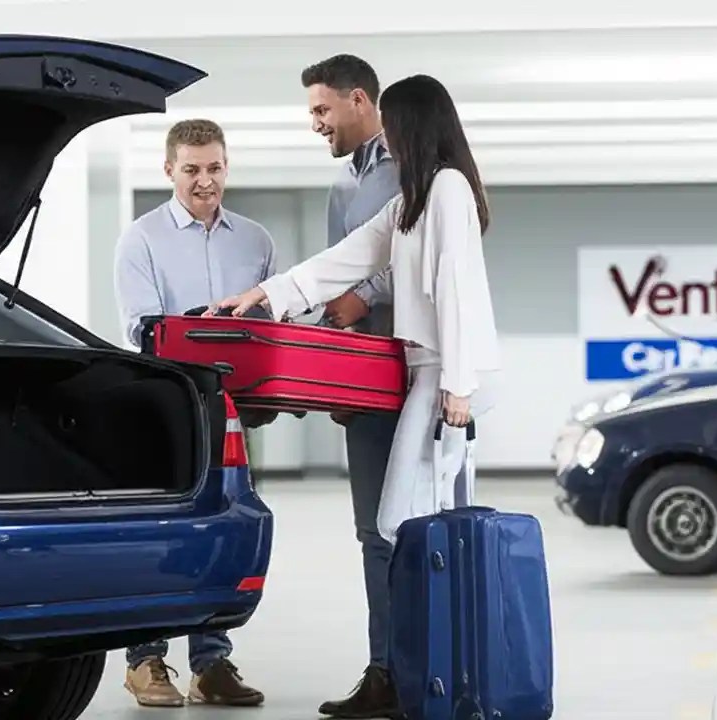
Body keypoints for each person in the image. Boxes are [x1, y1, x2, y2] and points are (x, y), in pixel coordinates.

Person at [207, 74, 501, 717]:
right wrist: (267, 296)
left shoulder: (447, 188)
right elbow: (346, 257)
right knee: (411, 525)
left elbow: (457, 287)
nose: (388, 136)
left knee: (402, 522)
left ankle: (428, 672)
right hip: (423, 371)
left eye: (395, 123)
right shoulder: (413, 200)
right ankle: (419, 675)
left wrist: (457, 384)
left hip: (446, 375)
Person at [112, 118, 274, 708]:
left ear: (226, 166)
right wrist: (205, 327)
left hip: (230, 414)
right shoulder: (143, 238)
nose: (205, 181)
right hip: (165, 408)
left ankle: (212, 662)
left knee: (222, 529)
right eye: (191, 170)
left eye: (214, 168)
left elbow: (265, 327)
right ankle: (145, 659)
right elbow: (141, 326)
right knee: (162, 535)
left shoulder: (254, 240)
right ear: (169, 170)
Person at [299, 54, 408, 720]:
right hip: (366, 384)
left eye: (321, 110)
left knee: (425, 530)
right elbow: (330, 277)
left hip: (421, 373)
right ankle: (385, 673)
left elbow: (427, 256)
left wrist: (364, 299)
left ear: (358, 100)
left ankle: (436, 665)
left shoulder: (420, 166)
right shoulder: (343, 188)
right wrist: (333, 368)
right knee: (374, 532)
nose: (315, 124)